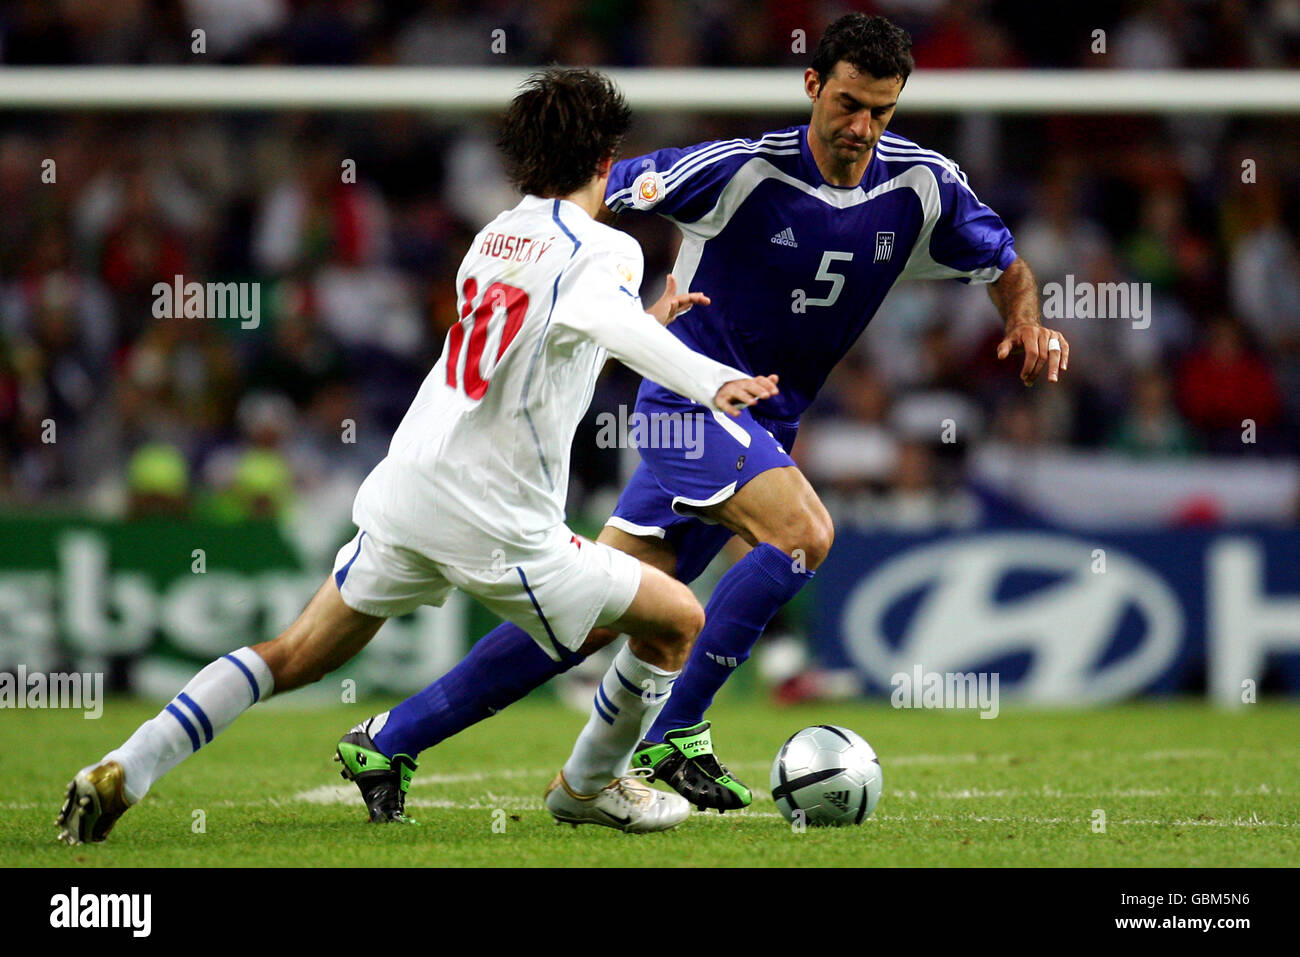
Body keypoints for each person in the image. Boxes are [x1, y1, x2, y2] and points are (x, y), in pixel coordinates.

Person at [335, 12, 1073, 817]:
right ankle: (677, 728)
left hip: (759, 425)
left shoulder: (923, 185)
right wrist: (572, 294)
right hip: (688, 403)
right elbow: (587, 193)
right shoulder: (739, 171)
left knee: (589, 615)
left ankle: (402, 738)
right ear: (812, 85)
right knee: (803, 534)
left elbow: (1006, 262)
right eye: (849, 104)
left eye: (882, 111)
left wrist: (1023, 319)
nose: (861, 127)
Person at [55, 67, 780, 844]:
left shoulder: (492, 238)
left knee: (293, 651)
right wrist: (712, 377)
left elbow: (554, 350)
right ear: (608, 160)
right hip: (499, 519)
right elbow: (606, 320)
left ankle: (126, 765)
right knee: (677, 620)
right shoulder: (607, 248)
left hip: (411, 488)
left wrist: (646, 322)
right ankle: (594, 783)